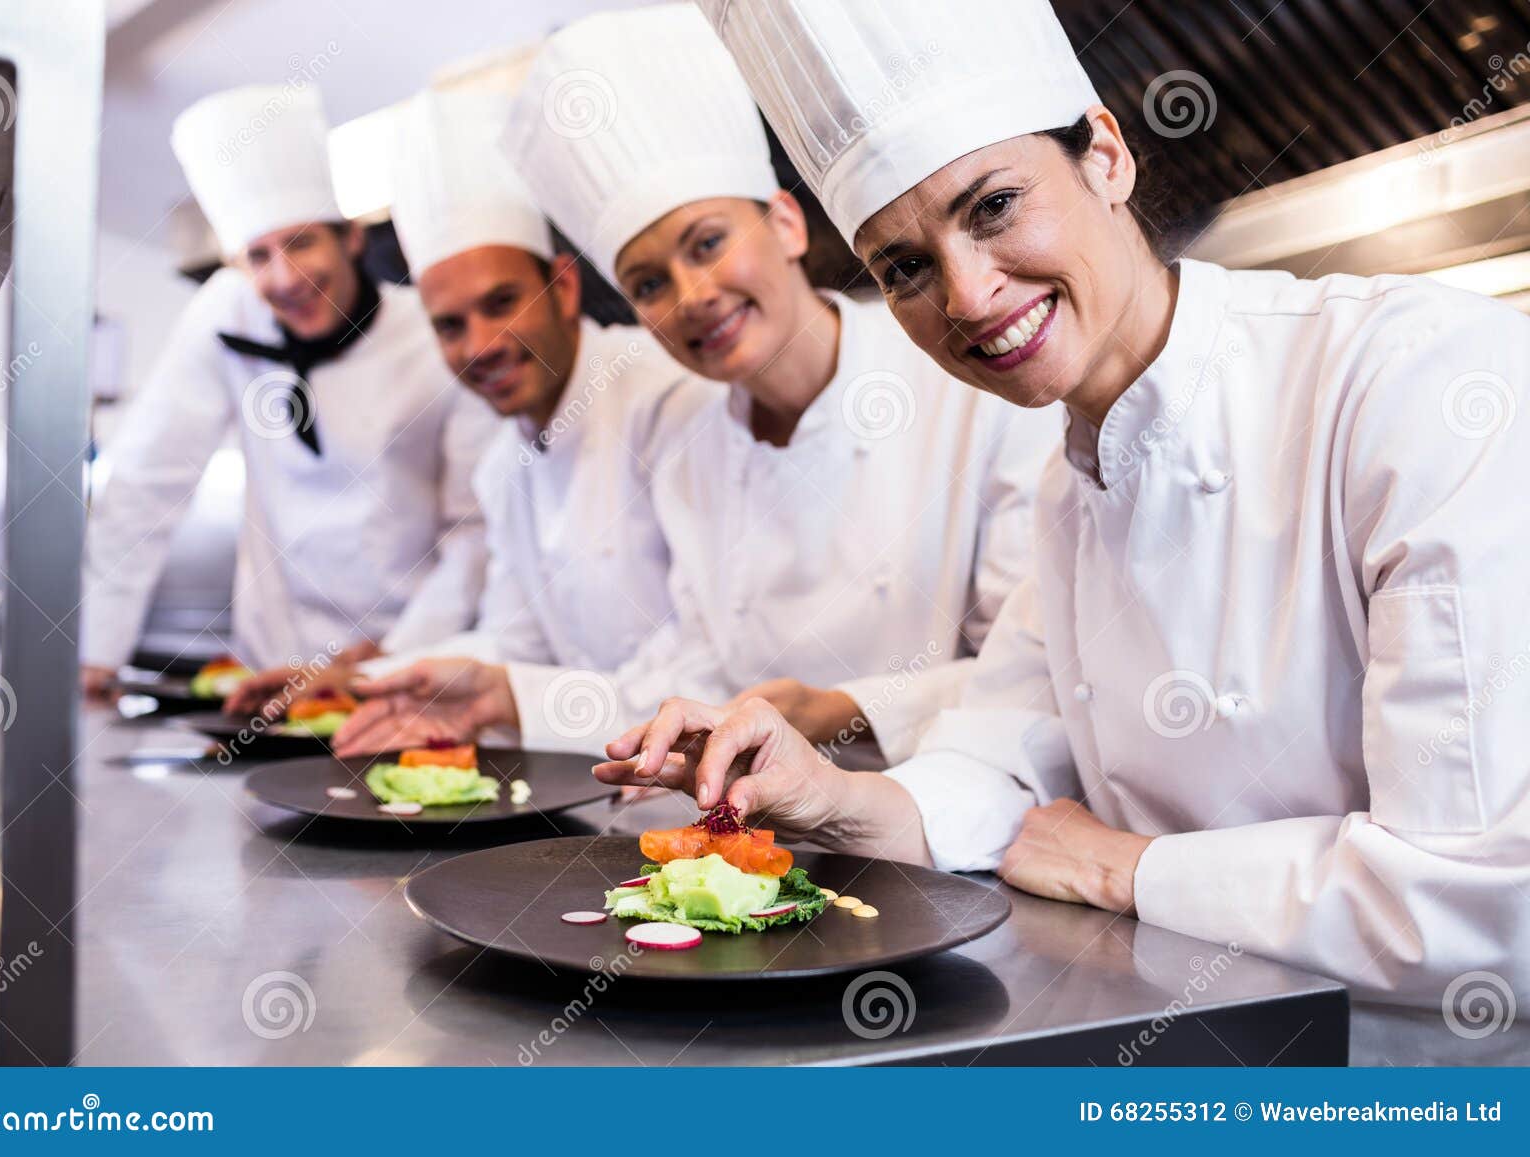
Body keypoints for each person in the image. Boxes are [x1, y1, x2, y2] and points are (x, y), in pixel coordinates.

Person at [594, 0, 1530, 1005]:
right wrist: (817, 794)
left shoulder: (1415, 380)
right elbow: (1000, 759)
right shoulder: (1070, 480)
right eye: (903, 267)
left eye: (991, 206)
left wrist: (1119, 865)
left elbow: (1478, 909)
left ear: (1108, 155)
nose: (965, 295)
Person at [340, 3, 1058, 764]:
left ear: (785, 222)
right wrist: (505, 697)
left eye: (708, 243)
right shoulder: (696, 448)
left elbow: (1032, 673)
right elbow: (688, 676)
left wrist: (839, 710)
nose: (691, 295)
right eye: (649, 283)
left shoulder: (971, 372)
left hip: (956, 838)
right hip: (776, 852)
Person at [260, 85, 706, 750]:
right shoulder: (504, 465)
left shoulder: (666, 395)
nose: (481, 346)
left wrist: (517, 699)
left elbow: (708, 655)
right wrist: (359, 683)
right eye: (449, 325)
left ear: (563, 287)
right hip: (599, 794)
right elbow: (513, 638)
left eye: (501, 303)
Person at [80, 83, 497, 696]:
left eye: (301, 242)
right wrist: (96, 651)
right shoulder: (226, 312)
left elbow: (474, 527)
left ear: (352, 237)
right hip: (271, 674)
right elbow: (146, 482)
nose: (285, 278)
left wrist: (395, 657)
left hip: (404, 663)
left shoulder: (436, 333)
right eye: (258, 255)